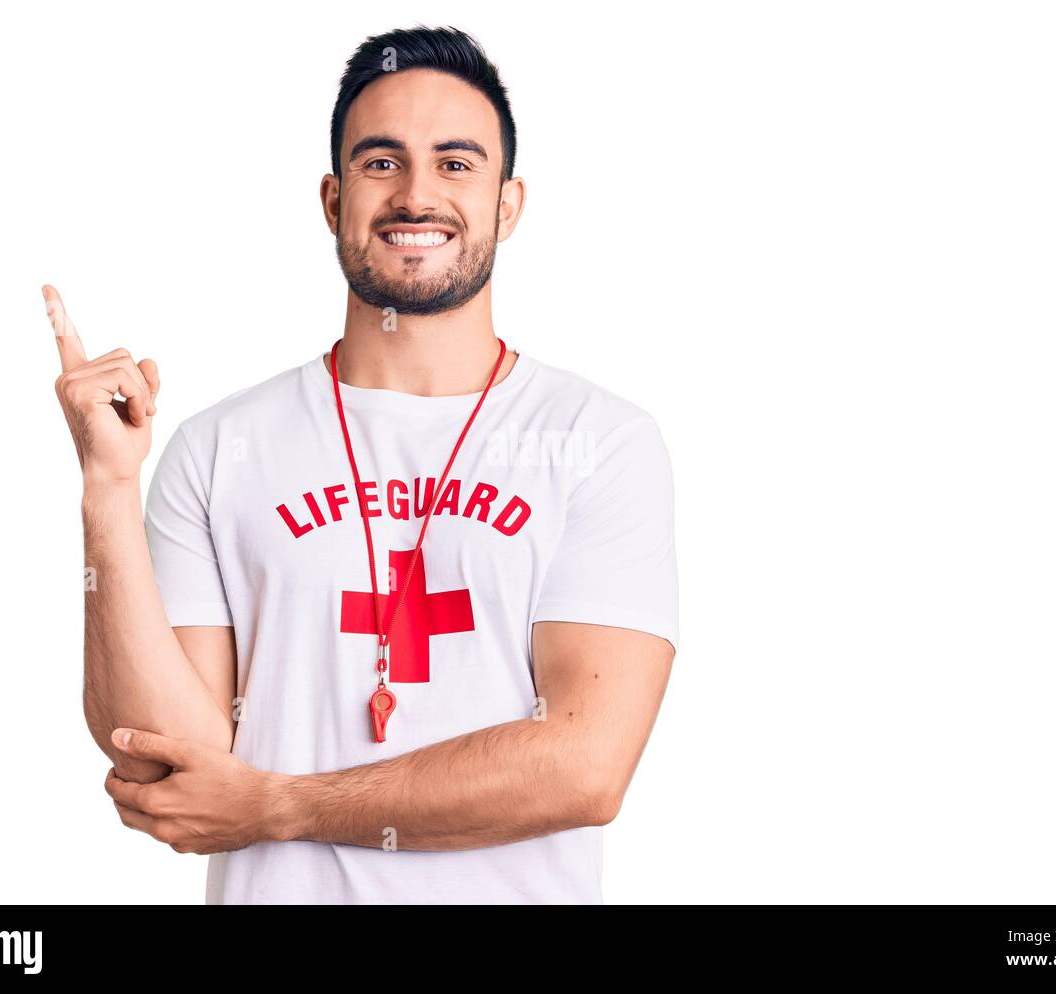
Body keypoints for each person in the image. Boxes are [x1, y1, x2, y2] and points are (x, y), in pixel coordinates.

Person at [47, 25, 678, 905]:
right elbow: (164, 764)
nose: (417, 194)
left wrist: (280, 806)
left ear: (508, 204)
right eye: (382, 162)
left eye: (456, 163)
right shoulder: (220, 447)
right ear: (333, 198)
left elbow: (585, 766)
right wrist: (108, 489)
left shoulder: (595, 441)